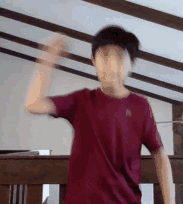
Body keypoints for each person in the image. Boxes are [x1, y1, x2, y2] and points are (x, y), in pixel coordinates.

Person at [25, 25, 165, 204]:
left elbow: (160, 155)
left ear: (132, 65)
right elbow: (34, 104)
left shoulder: (140, 106)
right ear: (93, 60)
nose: (112, 64)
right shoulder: (81, 101)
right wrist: (46, 61)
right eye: (105, 56)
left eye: (120, 57)